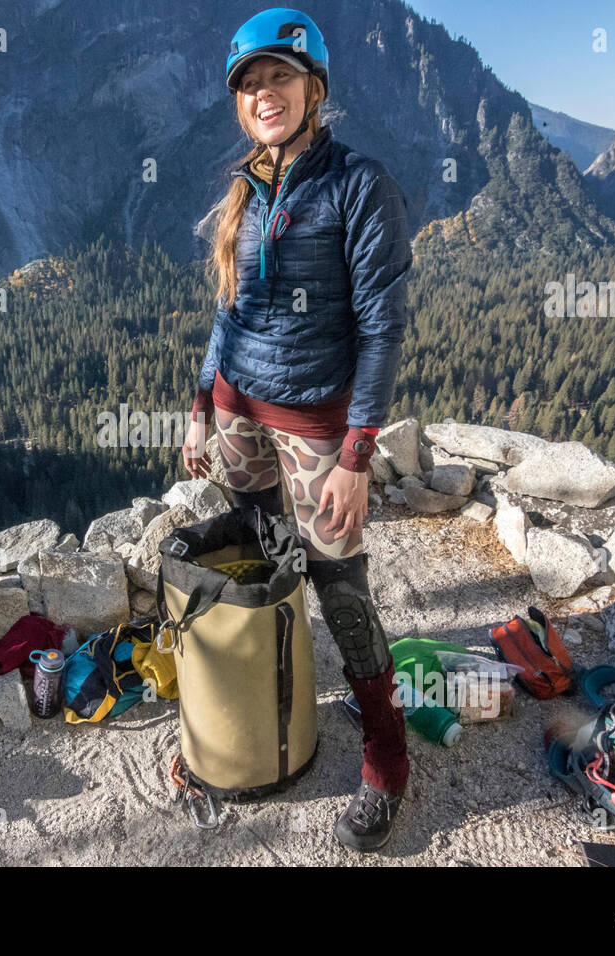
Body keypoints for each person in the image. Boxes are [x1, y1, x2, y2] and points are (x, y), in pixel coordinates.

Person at [181, 7, 414, 852]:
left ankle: (387, 754)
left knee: (338, 580)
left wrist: (357, 451)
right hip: (242, 411)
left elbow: (384, 326)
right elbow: (226, 309)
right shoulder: (244, 188)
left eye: (279, 76)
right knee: (268, 555)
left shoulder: (359, 184)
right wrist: (204, 398)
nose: (263, 92)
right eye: (250, 83)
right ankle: (279, 689)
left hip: (319, 422)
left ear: (314, 88)